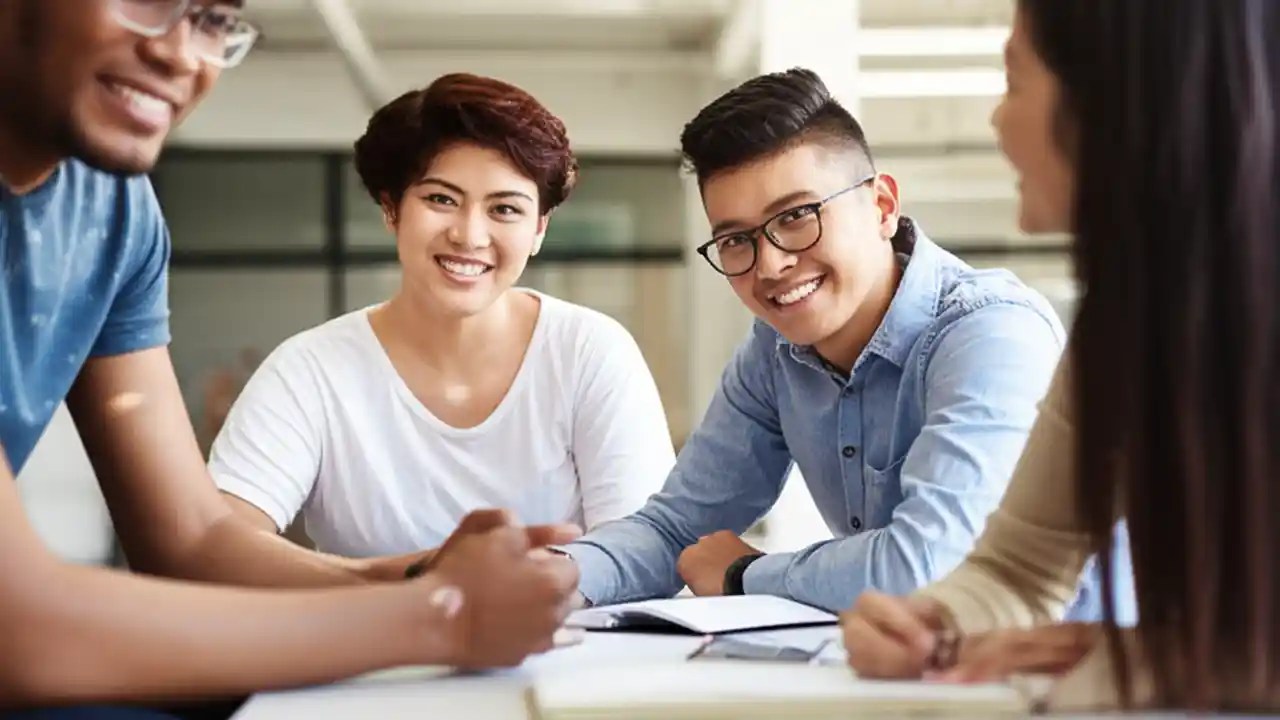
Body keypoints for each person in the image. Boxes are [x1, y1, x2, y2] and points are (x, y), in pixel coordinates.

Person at [0, 1, 579, 715]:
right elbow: (19, 629)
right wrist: (441, 614)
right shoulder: (314, 363)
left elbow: (190, 539)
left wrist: (422, 578)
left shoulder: (117, 213)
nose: (183, 55)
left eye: (212, 20)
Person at [564, 68, 1134, 618]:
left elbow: (929, 567)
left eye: (797, 216)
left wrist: (745, 575)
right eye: (736, 240)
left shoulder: (990, 332)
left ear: (883, 206)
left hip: (1088, 680)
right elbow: (675, 528)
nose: (771, 264)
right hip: (926, 667)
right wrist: (554, 576)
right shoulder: (775, 352)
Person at [841, 0, 1280, 712]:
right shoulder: (1124, 329)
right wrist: (930, 624)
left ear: (1110, 102)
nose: (997, 122)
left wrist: (1150, 655)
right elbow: (1019, 569)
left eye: (1014, 82)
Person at [207, 73, 674, 561]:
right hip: (366, 637)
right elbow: (219, 546)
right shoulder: (310, 369)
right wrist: (415, 584)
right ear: (392, 210)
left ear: (539, 229)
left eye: (505, 209)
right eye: (441, 200)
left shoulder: (589, 351)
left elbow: (641, 554)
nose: (470, 236)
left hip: (571, 636)